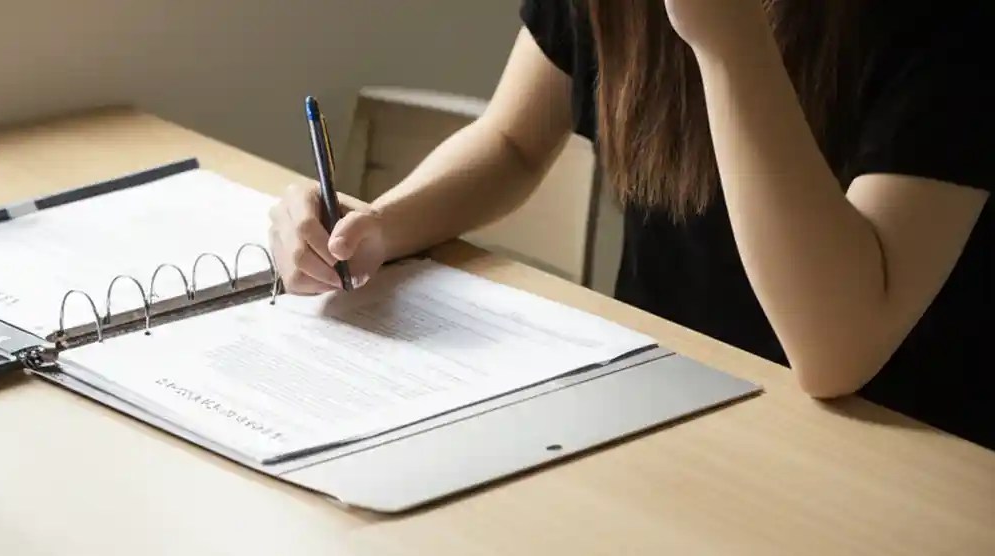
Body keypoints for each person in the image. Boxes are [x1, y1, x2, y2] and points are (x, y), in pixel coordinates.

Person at [268, 0, 994, 451]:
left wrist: (728, 39)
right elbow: (514, 141)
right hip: (667, 412)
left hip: (895, 459)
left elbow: (838, 350)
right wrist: (381, 226)